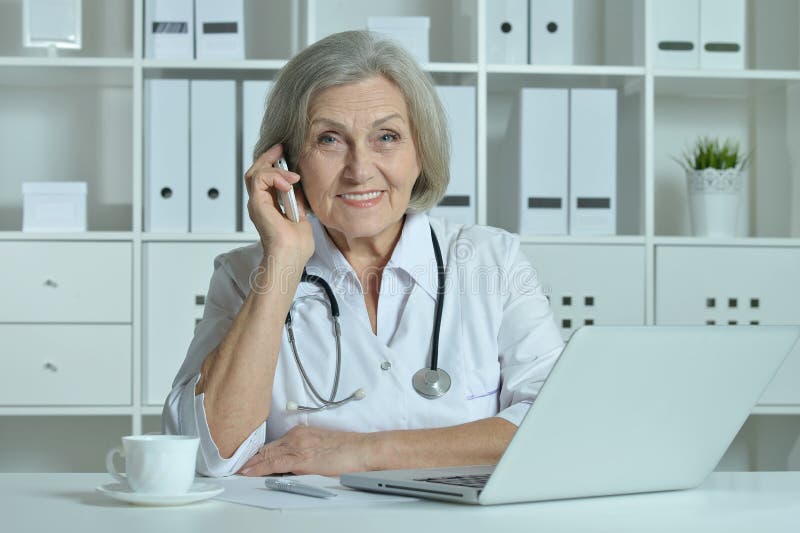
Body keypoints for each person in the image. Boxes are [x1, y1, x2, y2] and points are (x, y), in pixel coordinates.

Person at [163, 30, 564, 478]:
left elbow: (558, 425)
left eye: (386, 137)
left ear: (422, 153)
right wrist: (283, 260)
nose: (359, 170)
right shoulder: (245, 275)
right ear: (287, 163)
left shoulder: (493, 260)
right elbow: (207, 455)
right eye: (330, 140)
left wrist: (365, 452)